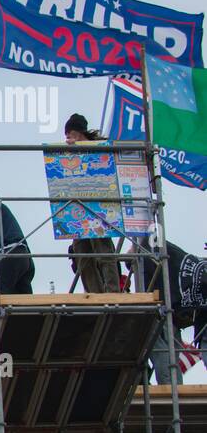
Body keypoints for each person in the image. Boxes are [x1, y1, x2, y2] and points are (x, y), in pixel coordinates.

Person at [62, 113, 121, 294]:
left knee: (103, 250)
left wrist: (79, 147)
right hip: (79, 210)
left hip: (98, 209)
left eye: (69, 134)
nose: (67, 139)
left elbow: (105, 163)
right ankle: (94, 293)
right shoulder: (73, 151)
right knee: (81, 252)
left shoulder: (98, 148)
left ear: (76, 132)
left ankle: (112, 291)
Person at [136, 241, 207, 385]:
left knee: (165, 353)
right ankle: (172, 390)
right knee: (166, 353)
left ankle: (172, 390)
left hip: (167, 316)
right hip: (171, 316)